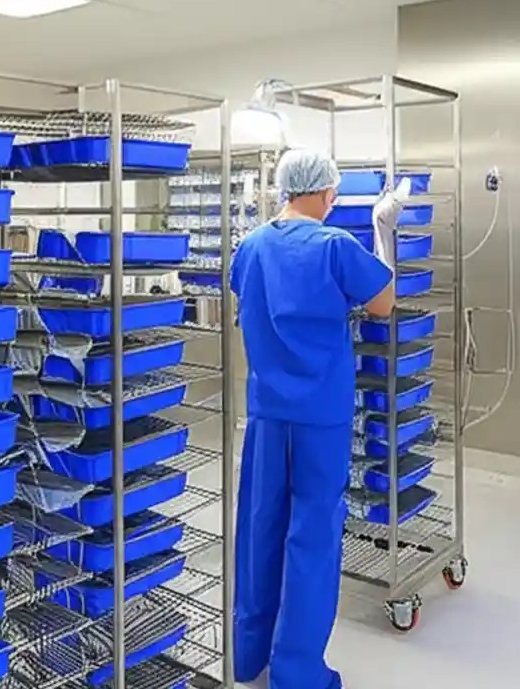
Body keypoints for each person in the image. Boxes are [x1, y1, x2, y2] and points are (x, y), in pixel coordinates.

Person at [230, 148, 402, 688]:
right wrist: (384, 231)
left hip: (266, 413)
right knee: (312, 538)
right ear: (327, 193)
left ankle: (247, 657)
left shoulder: (252, 246)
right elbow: (383, 303)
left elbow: (249, 297)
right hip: (320, 415)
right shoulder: (334, 245)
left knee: (259, 528)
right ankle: (298, 673)